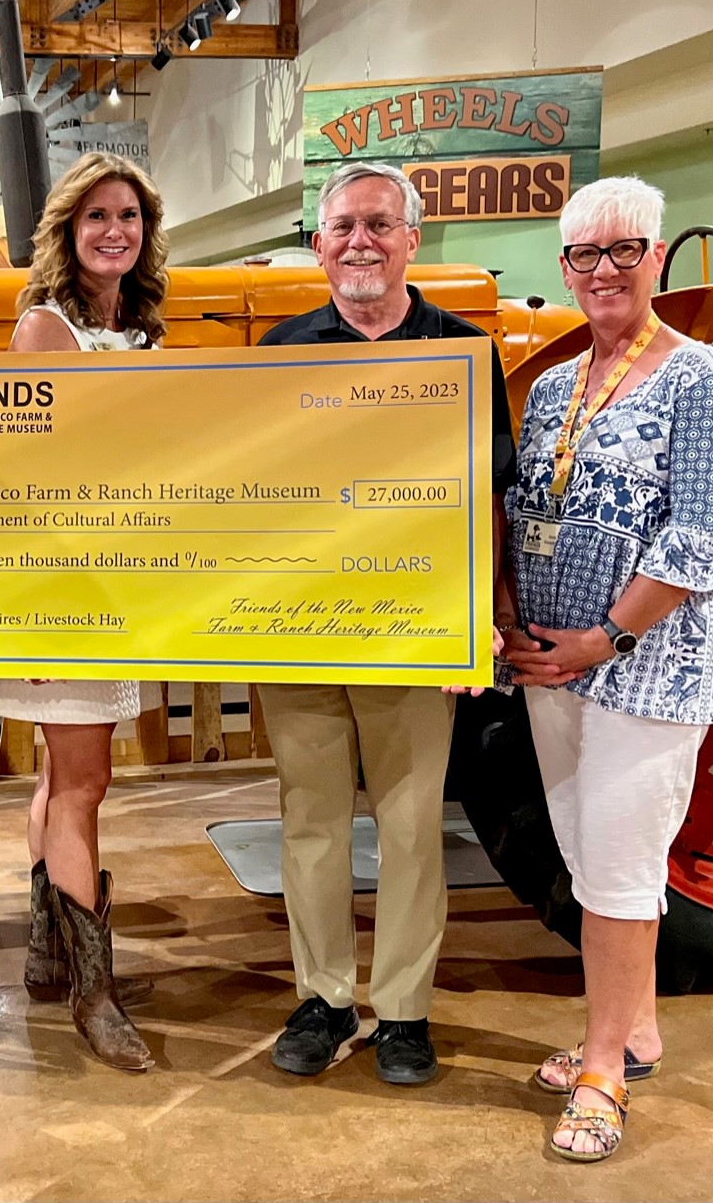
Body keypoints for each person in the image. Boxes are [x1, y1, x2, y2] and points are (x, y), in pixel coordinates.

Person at [253, 162, 517, 1085]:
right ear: (318, 244)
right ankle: (323, 999)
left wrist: (477, 614)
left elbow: (487, 498)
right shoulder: (278, 351)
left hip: (411, 625)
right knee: (310, 821)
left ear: (411, 239)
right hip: (297, 627)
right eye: (341, 227)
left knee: (410, 828)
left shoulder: (460, 349)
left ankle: (403, 1012)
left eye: (377, 224)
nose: (358, 241)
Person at [501, 176, 713, 1162]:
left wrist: (604, 636)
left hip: (644, 658)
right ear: (562, 270)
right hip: (552, 654)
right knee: (585, 851)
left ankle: (603, 1071)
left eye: (622, 250)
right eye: (582, 255)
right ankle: (635, 1027)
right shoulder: (557, 385)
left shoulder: (698, 379)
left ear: (655, 258)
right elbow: (526, 511)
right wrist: (514, 617)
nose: (602, 270)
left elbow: (700, 540)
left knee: (618, 863)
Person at [0, 151, 168, 1073]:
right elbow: (40, 473)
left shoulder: (137, 328)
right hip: (63, 587)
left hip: (117, 578)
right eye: (95, 215)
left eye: (127, 216)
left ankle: (47, 953)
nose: (113, 231)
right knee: (85, 784)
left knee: (60, 780)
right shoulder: (44, 329)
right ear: (66, 229)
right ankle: (95, 995)